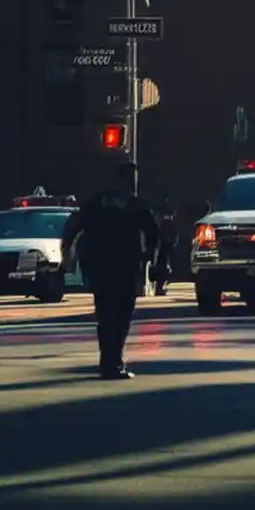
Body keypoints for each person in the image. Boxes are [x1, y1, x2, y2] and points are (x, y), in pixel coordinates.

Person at [62, 162, 159, 380]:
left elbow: (73, 227)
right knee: (122, 317)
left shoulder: (96, 201)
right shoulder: (134, 204)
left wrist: (68, 253)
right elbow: (153, 233)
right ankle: (115, 363)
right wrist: (149, 260)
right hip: (125, 266)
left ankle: (107, 361)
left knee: (105, 316)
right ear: (127, 180)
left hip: (99, 267)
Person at [152, 201, 179, 296]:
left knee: (161, 266)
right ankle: (160, 287)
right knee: (164, 267)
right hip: (165, 247)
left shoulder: (161, 222)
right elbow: (174, 237)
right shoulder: (168, 223)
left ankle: (159, 287)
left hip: (162, 247)